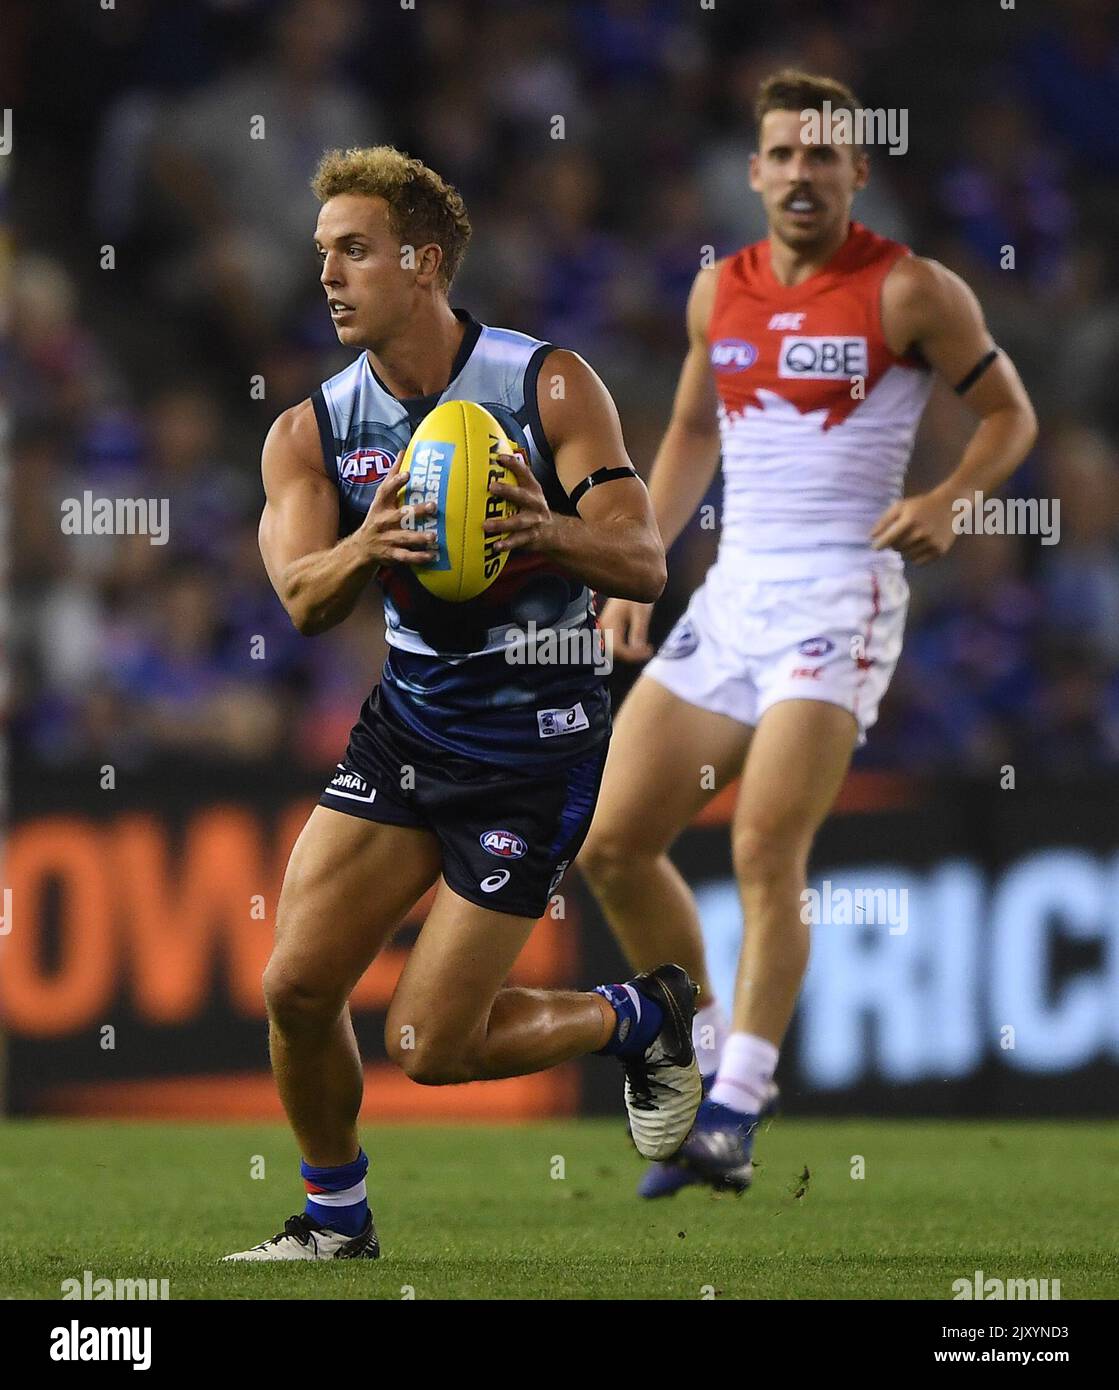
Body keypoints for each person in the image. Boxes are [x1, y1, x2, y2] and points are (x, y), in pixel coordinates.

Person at [225, 146, 699, 1260]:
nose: (329, 274)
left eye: (354, 250)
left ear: (424, 263)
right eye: (322, 253)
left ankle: (639, 1014)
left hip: (533, 753)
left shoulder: (548, 385)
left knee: (430, 1047)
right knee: (295, 986)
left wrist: (546, 531)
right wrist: (367, 543)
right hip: (409, 732)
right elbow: (298, 598)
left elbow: (642, 560)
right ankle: (337, 1222)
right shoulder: (311, 432)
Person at [579, 71, 1038, 1197]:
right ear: (752, 171)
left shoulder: (910, 291)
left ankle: (739, 1101)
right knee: (609, 845)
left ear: (856, 171)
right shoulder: (716, 294)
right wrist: (646, 558)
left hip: (841, 598)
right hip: (733, 597)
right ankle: (701, 1047)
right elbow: (689, 428)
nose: (799, 174)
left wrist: (948, 501)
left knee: (762, 849)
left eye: (821, 157)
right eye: (781, 155)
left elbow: (1009, 415)